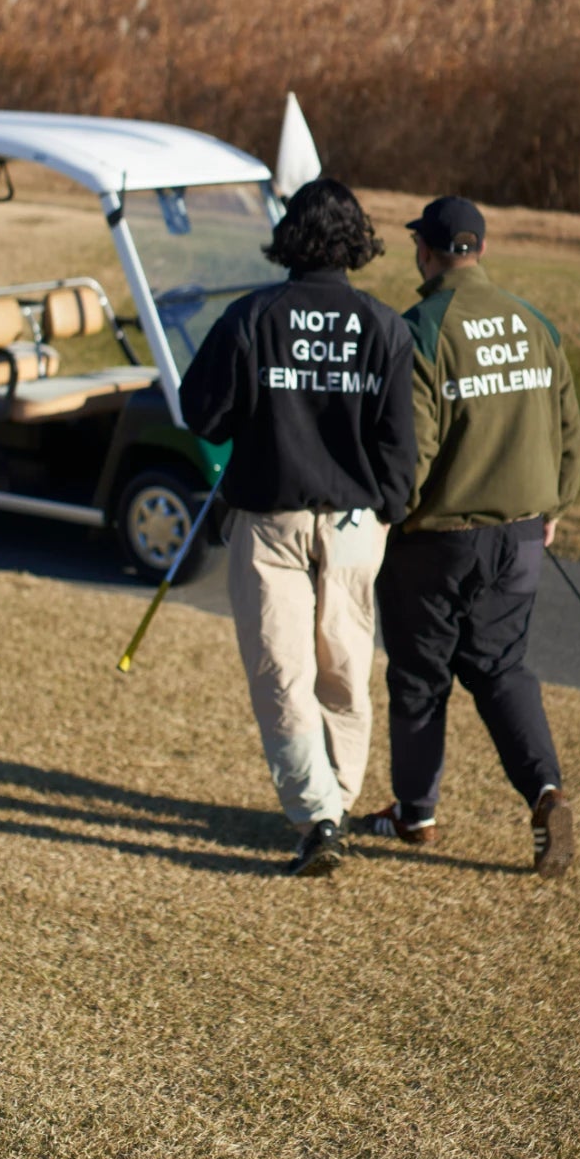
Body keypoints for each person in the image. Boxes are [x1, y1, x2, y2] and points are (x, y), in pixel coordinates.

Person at [179, 179, 416, 878]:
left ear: (290, 236)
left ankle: (319, 817)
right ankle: (330, 808)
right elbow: (400, 441)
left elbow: (203, 414)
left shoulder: (253, 316)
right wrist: (390, 510)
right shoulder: (385, 327)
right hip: (354, 527)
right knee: (343, 668)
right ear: (356, 240)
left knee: (282, 672)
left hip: (270, 523)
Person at [354, 195, 580, 878]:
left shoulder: (421, 328)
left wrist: (390, 512)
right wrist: (554, 503)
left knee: (420, 680)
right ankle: (545, 792)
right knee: (500, 669)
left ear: (425, 251)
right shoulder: (533, 323)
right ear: (478, 250)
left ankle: (415, 813)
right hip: (520, 537)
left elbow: (414, 447)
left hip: (435, 541)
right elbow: (568, 431)